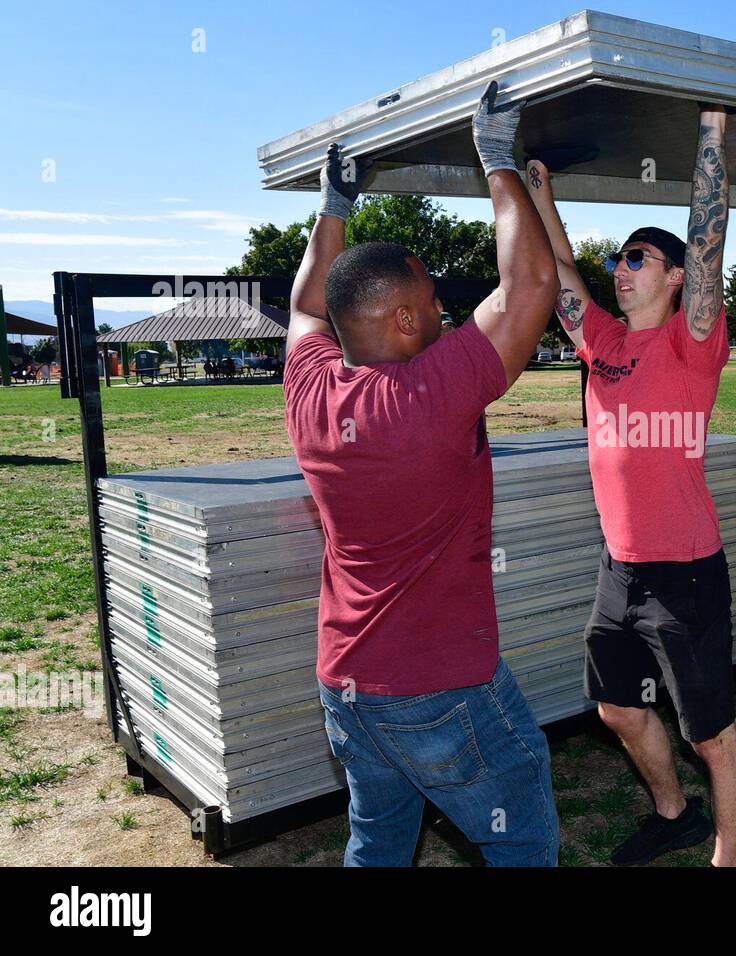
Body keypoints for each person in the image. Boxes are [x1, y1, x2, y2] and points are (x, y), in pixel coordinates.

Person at [282, 82, 561, 866]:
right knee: (525, 843)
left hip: (347, 685)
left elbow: (308, 305)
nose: (443, 313)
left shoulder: (309, 385)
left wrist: (332, 204)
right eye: (434, 301)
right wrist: (497, 161)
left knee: (377, 837)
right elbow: (531, 286)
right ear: (404, 319)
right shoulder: (429, 394)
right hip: (439, 686)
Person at [525, 105, 736, 866]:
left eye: (636, 260)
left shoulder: (694, 341)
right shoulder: (605, 342)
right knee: (617, 708)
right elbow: (561, 276)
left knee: (710, 733)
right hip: (618, 568)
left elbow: (712, 241)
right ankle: (673, 813)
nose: (619, 269)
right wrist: (540, 195)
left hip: (684, 574)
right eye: (618, 260)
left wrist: (712, 138)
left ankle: (728, 857)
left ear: (676, 277)